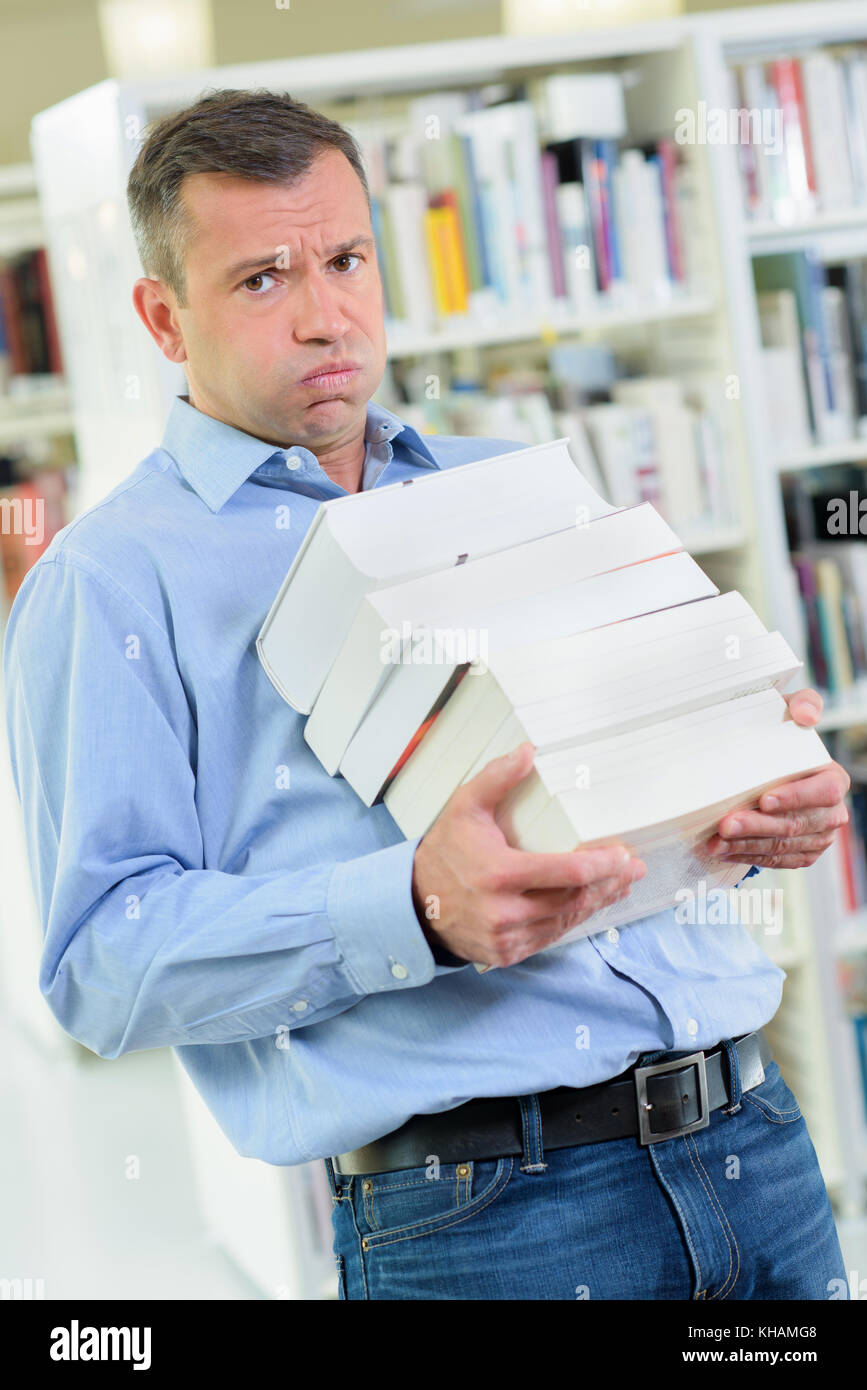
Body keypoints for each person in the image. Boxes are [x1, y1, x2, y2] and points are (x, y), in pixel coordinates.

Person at [3, 90, 852, 1301]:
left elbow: (620, 781)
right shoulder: (109, 582)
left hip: (753, 1150)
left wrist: (746, 809)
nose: (324, 315)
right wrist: (407, 906)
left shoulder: (522, 482)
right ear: (162, 316)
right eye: (261, 280)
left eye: (346, 259)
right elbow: (100, 964)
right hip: (485, 1222)